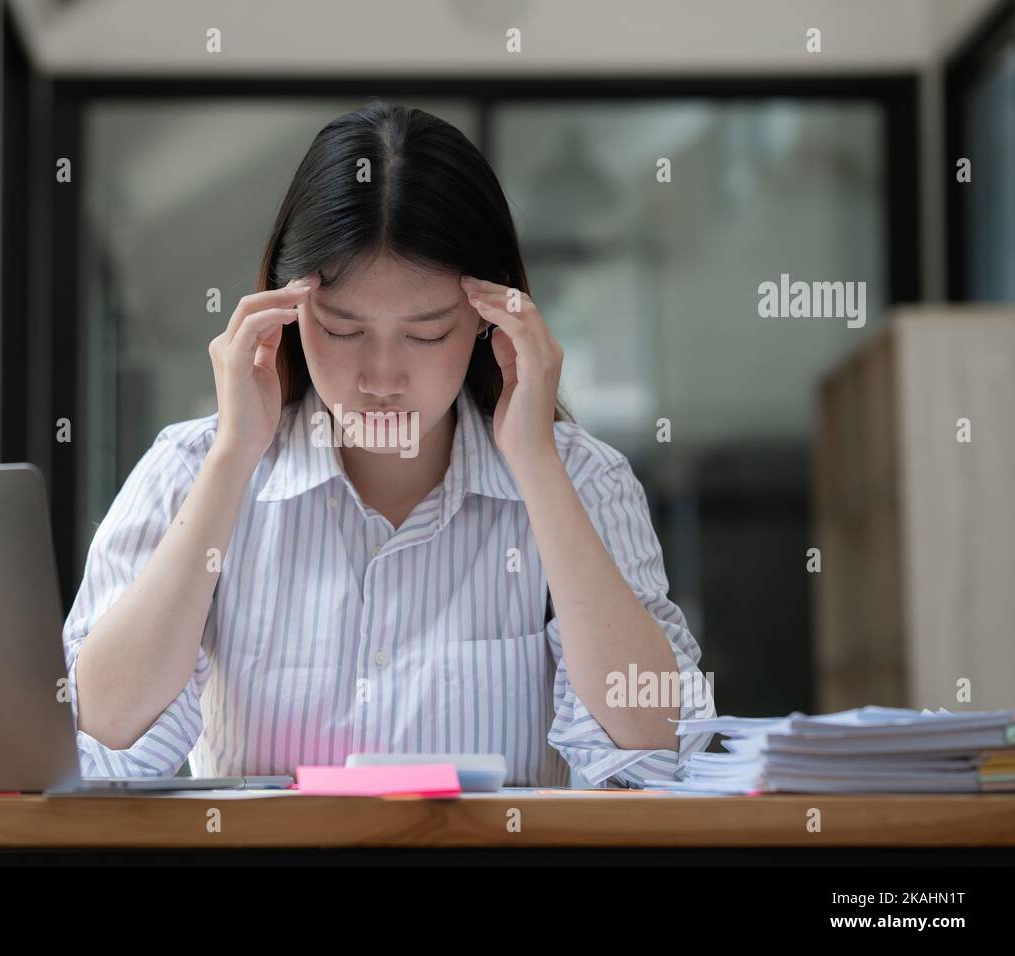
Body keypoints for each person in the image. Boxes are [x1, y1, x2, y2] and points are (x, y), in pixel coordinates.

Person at [62, 99, 714, 788]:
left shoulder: (581, 480)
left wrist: (538, 464)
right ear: (283, 312)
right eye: (342, 330)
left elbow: (661, 752)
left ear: (494, 320)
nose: (381, 378)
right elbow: (96, 738)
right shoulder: (190, 471)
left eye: (427, 332)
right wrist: (232, 459)